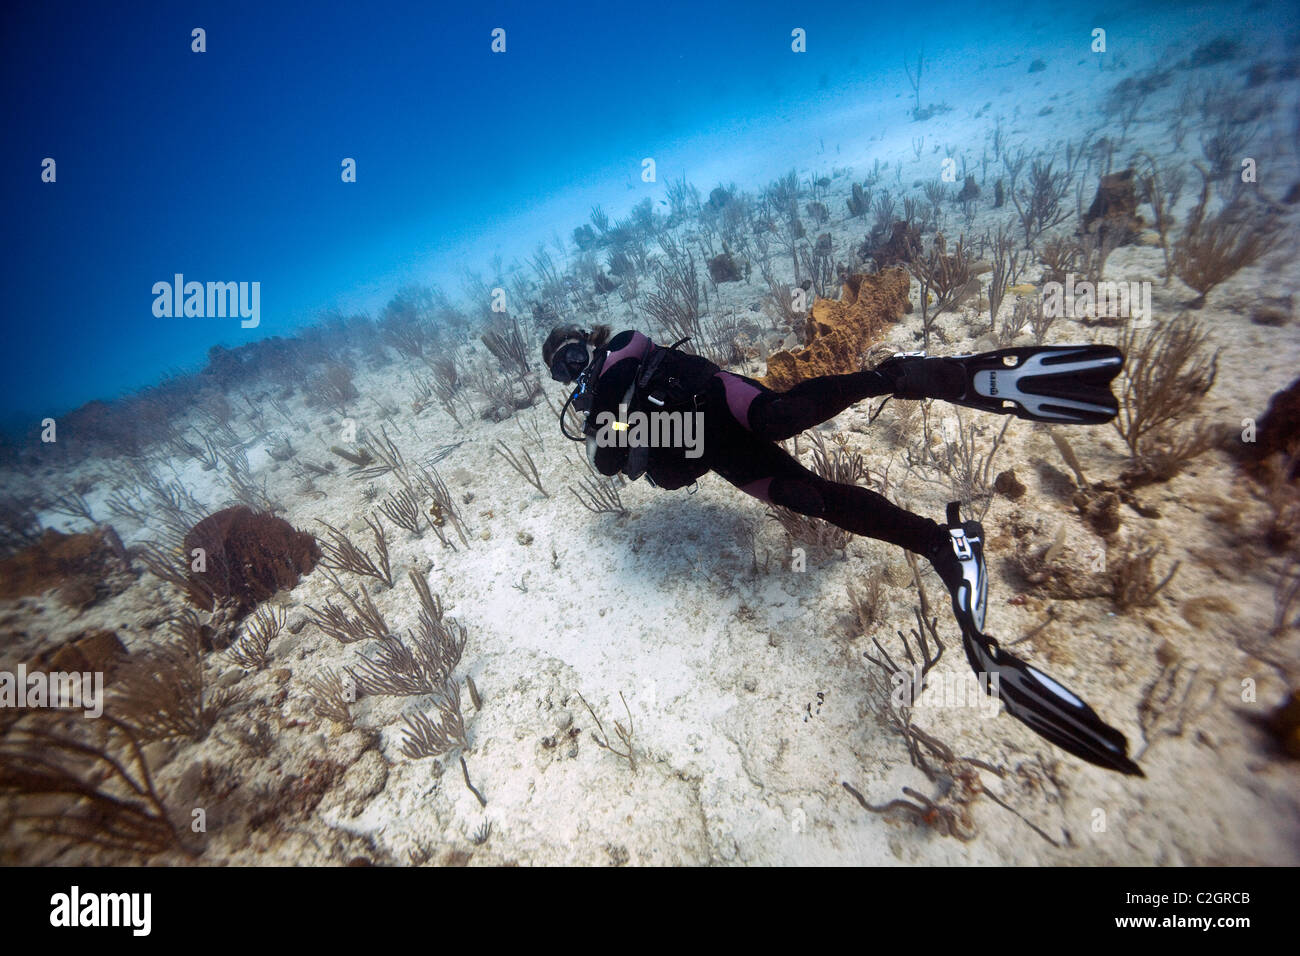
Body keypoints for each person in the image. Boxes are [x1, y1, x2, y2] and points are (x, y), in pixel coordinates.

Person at [543, 324, 1142, 776]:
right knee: (811, 498)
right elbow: (607, 461)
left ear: (586, 341)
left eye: (573, 352)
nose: (574, 366)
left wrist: (604, 405)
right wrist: (607, 419)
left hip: (723, 402)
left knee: (781, 415)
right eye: (561, 368)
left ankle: (905, 375)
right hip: (719, 454)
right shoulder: (596, 404)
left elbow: (624, 377)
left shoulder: (620, 349)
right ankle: (940, 543)